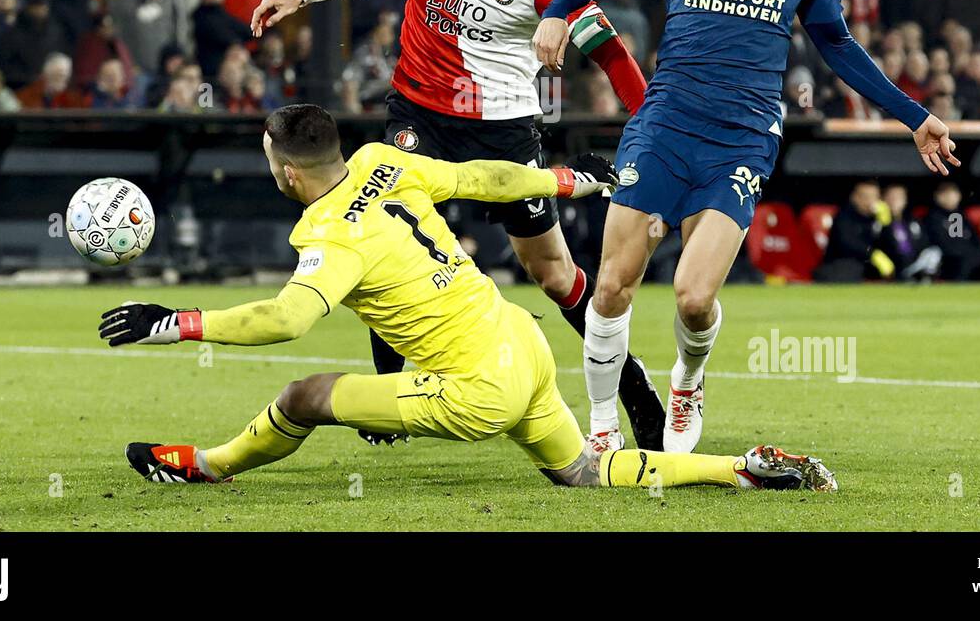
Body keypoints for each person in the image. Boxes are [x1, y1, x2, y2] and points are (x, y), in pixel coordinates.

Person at [98, 105, 835, 493]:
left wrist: (174, 323)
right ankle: (741, 467)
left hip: (476, 387)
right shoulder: (384, 161)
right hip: (521, 341)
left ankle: (208, 465)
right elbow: (485, 177)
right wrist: (570, 181)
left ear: (288, 174)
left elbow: (287, 318)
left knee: (304, 396)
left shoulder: (326, 235)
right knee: (585, 472)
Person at [533, 0, 958, 453]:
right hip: (665, 123)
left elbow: (838, 47)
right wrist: (558, 13)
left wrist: (915, 116)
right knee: (614, 282)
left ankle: (688, 381)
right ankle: (599, 432)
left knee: (693, 298)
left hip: (741, 137)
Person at [251, 0, 665, 449]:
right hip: (419, 116)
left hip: (502, 131)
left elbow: (612, 55)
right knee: (381, 239)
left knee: (551, 273)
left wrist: (648, 128)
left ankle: (633, 388)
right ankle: (388, 392)